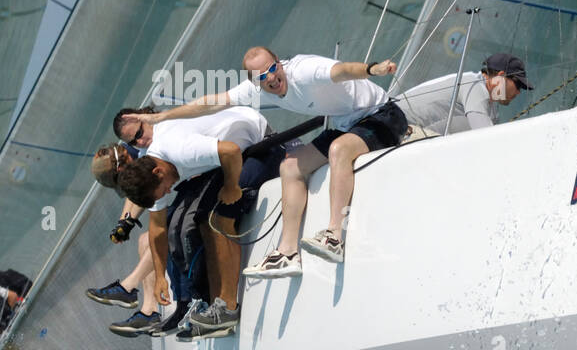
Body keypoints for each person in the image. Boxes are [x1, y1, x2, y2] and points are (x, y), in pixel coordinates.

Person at [121, 48, 408, 274]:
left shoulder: (304, 70)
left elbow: (343, 70)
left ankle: (334, 235)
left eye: (273, 69)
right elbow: (211, 101)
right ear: (254, 81)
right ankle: (287, 253)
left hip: (382, 115)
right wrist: (160, 117)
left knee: (338, 151)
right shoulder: (256, 88)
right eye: (262, 76)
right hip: (345, 125)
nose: (270, 78)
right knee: (290, 166)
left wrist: (373, 69)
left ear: (280, 64)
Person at [116, 106, 279, 338]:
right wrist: (160, 276)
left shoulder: (180, 150)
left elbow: (230, 151)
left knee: (220, 220)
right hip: (227, 156)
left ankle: (229, 308)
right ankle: (216, 307)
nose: (167, 193)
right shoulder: (148, 167)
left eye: (162, 191)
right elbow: (158, 227)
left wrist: (232, 187)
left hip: (260, 143)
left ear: (159, 173)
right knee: (203, 222)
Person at [86, 142, 167, 337]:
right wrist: (124, 223)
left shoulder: (150, 153)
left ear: (122, 169)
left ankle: (127, 287)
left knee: (158, 235)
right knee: (143, 241)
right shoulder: (131, 156)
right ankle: (149, 312)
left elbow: (142, 188)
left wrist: (127, 222)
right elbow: (135, 191)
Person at [396, 52, 531, 140]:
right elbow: (487, 138)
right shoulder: (475, 85)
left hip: (405, 132)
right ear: (501, 76)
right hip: (394, 127)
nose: (518, 92)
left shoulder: (490, 110)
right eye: (518, 85)